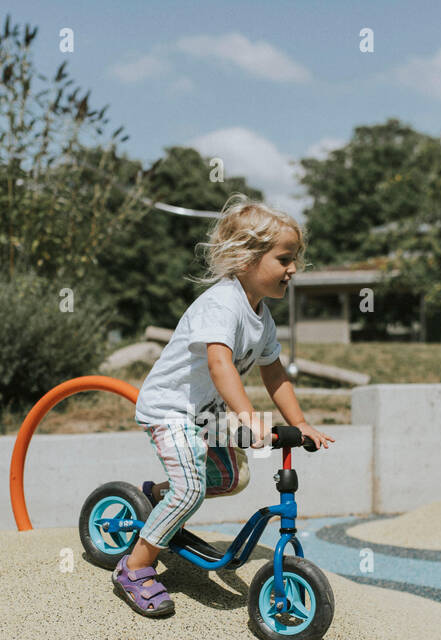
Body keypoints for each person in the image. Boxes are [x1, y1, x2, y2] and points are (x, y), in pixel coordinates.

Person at [112, 194, 335, 618]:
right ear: (247, 259)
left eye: (295, 260)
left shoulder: (262, 316)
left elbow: (274, 373)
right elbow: (219, 364)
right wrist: (247, 418)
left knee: (233, 477)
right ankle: (135, 567)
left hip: (204, 416)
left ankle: (161, 499)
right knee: (192, 488)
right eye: (285, 259)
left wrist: (300, 422)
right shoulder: (222, 303)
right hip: (170, 410)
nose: (293, 269)